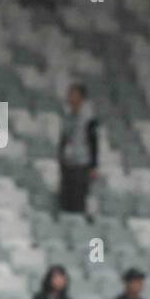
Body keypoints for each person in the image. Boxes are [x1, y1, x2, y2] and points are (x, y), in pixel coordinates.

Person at [58, 83, 99, 214]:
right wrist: (60, 157)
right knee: (65, 198)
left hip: (82, 164)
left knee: (78, 199)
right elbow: (63, 138)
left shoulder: (89, 118)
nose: (70, 97)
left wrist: (93, 166)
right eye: (70, 94)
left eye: (74, 94)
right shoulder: (67, 116)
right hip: (68, 162)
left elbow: (93, 141)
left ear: (81, 98)